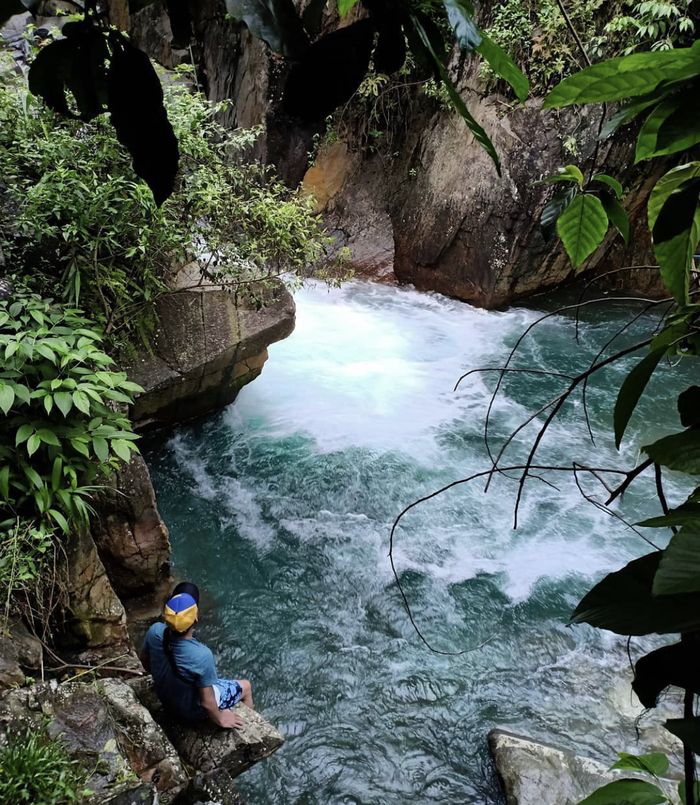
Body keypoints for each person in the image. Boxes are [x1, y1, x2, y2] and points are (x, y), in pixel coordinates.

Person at [140, 582, 253, 729]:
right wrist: (221, 719)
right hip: (190, 711)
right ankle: (249, 727)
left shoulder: (154, 631)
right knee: (246, 686)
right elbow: (207, 702)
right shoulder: (201, 655)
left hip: (164, 697)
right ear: (195, 619)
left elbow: (145, 662)